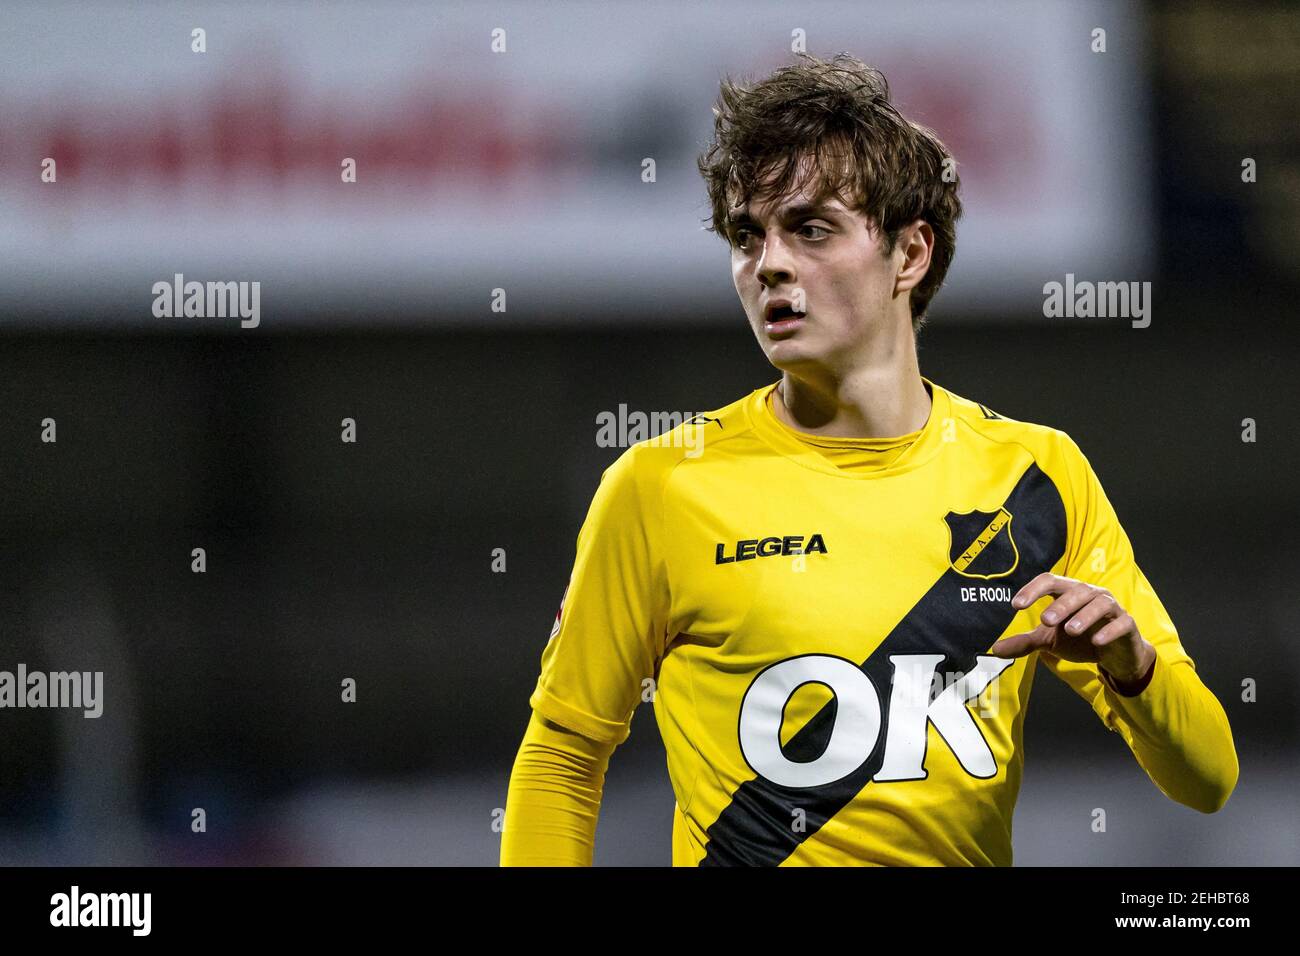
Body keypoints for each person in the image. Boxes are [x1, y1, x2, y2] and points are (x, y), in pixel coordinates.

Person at [500, 53, 1237, 866]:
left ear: (909, 254)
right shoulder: (660, 486)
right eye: (748, 235)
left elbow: (1207, 779)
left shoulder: (1036, 478)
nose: (768, 263)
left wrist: (1135, 671)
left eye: (811, 228)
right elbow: (562, 756)